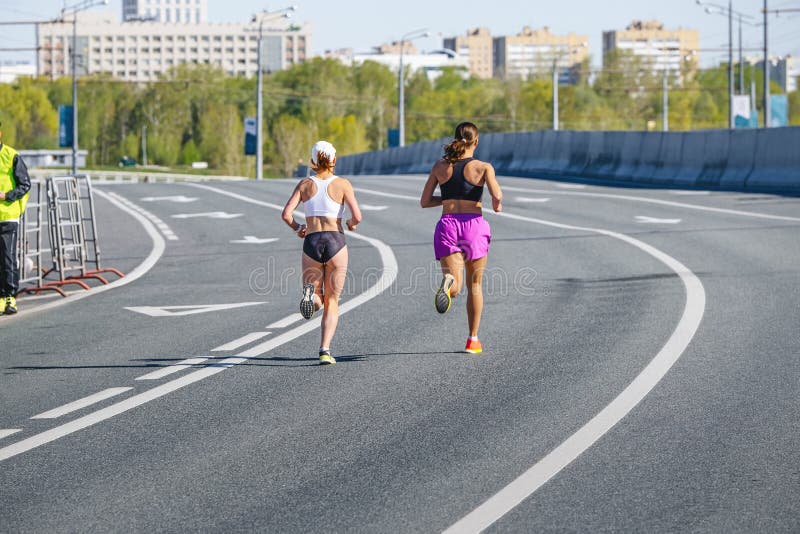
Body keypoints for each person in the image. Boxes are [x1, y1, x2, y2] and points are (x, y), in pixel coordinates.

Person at [420, 122, 503, 354]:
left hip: (448, 225)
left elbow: (425, 201)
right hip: (474, 226)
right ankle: (472, 339)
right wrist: (497, 201)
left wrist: (446, 200)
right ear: (476, 142)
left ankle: (448, 284)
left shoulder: (440, 166)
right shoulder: (483, 167)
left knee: (455, 286)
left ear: (455, 139)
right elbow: (496, 198)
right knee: (475, 284)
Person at [281, 140, 362, 365]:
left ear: (313, 161)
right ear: (334, 160)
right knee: (333, 300)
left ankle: (312, 299)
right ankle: (325, 350)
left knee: (317, 294)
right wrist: (352, 224)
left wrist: (298, 228)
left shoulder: (305, 184)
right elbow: (357, 216)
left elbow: (286, 214)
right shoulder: (343, 184)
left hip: (312, 242)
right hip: (335, 240)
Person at [0, 122, 31, 315]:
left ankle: (10, 298)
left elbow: (25, 184)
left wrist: (6, 195)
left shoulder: (11, 156)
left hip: (8, 217)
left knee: (7, 259)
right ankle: (1, 297)